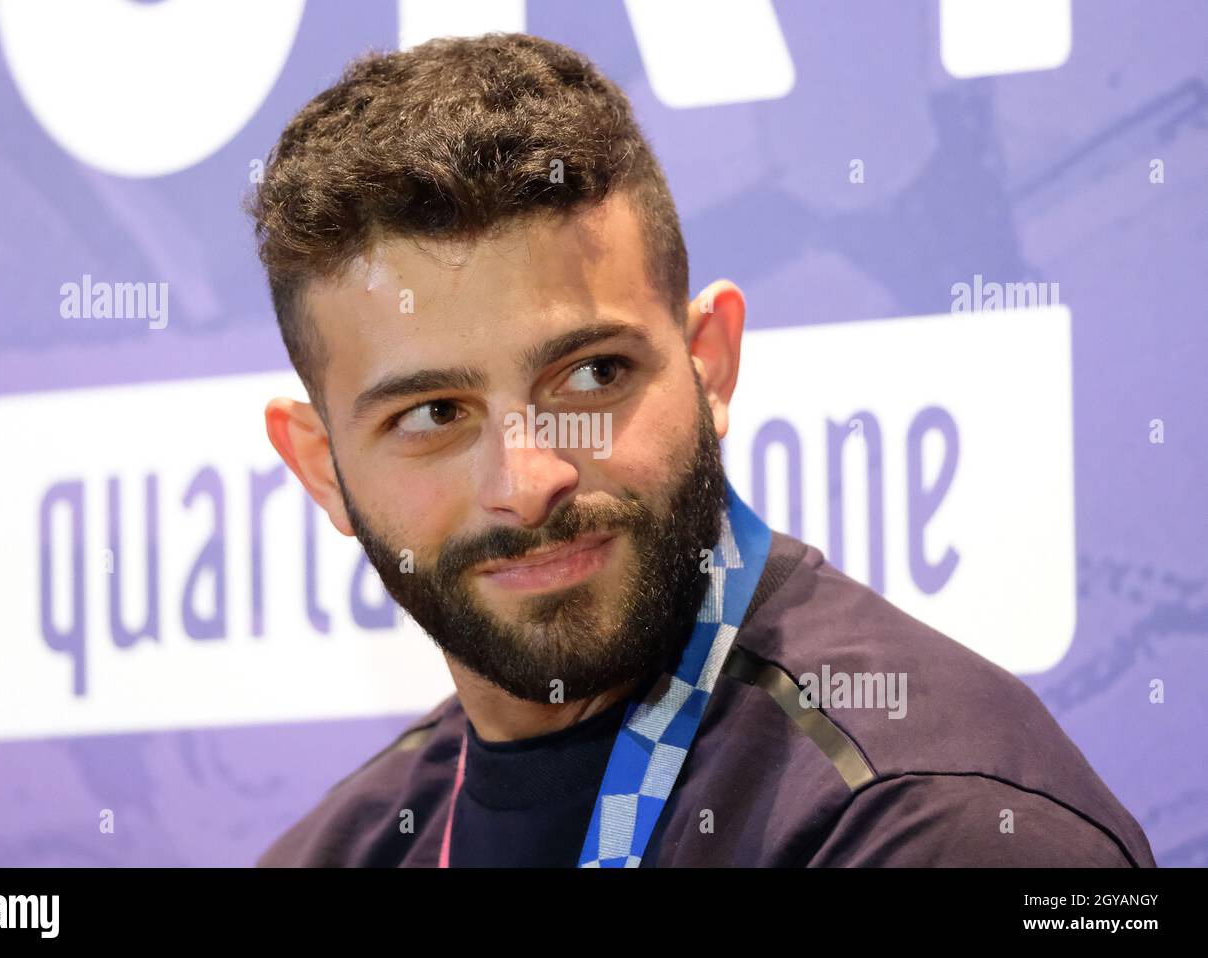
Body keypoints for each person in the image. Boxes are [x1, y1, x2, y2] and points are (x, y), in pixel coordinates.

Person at [246, 33, 1155, 867]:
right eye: (433, 415)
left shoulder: (942, 824)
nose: (527, 483)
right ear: (323, 468)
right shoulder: (327, 852)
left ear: (709, 365)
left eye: (593, 375)